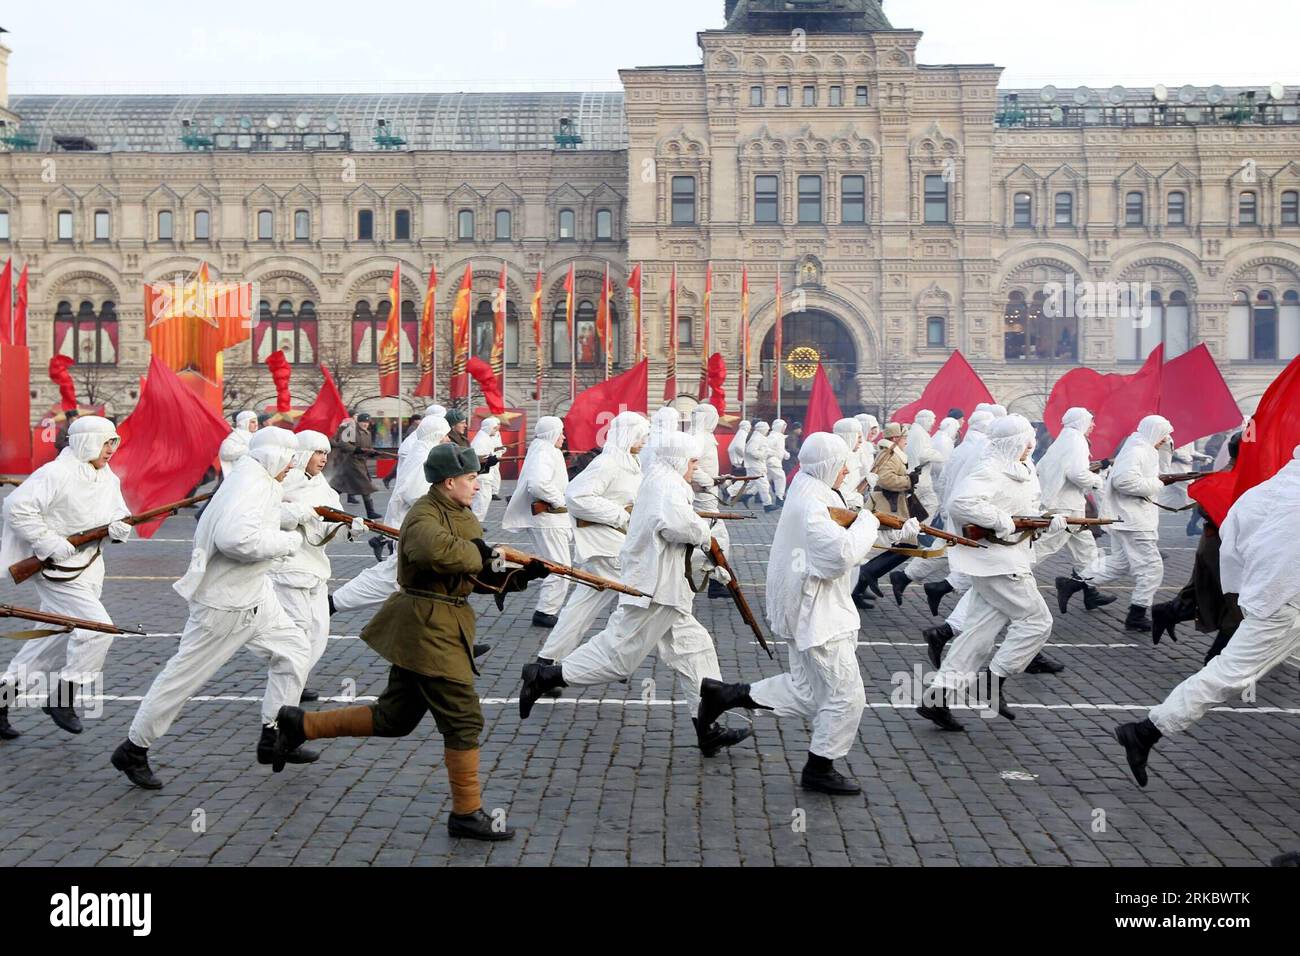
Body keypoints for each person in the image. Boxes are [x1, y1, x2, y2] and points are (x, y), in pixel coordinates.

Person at [274, 443, 550, 840]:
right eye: (472, 479)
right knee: (464, 717)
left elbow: (473, 574)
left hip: (442, 620)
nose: (477, 485)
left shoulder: (460, 513)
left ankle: (300, 724)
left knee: (395, 718)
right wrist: (485, 554)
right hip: (427, 627)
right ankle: (466, 813)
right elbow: (432, 552)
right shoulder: (424, 514)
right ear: (449, 481)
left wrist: (517, 576)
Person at [518, 431, 750, 758]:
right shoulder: (666, 484)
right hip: (655, 589)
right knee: (618, 656)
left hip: (666, 587)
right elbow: (677, 527)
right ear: (678, 459)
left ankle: (707, 726)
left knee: (694, 649)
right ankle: (543, 675)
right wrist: (705, 534)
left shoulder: (663, 479)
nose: (695, 467)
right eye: (693, 460)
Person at [111, 427, 316, 789]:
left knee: (295, 651)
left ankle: (275, 735)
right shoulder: (250, 483)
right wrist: (288, 541)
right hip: (224, 604)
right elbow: (236, 538)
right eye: (290, 460)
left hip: (256, 594)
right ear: (275, 455)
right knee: (183, 678)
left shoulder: (259, 477)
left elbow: (263, 515)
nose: (292, 468)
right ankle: (134, 748)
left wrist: (300, 513)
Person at [696, 433, 900, 794]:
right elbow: (838, 557)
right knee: (846, 696)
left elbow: (841, 541)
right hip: (817, 615)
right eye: (841, 464)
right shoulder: (812, 503)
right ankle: (819, 767)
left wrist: (892, 535)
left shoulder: (812, 488)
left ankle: (724, 695)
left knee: (807, 692)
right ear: (827, 465)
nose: (847, 470)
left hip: (814, 609)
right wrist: (870, 522)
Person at [1115, 446, 1300, 788]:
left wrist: (1246, 590)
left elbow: (1233, 543)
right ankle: (1146, 731)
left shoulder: (1263, 492)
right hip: (1284, 604)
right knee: (1231, 673)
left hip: (1271, 597)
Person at [917, 416, 1063, 732]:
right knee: (1037, 622)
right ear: (1013, 442)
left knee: (977, 635)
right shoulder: (991, 468)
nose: (1030, 446)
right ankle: (992, 681)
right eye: (1026, 440)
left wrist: (1045, 522)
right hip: (999, 564)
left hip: (1005, 559)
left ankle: (937, 700)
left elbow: (1021, 512)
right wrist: (1001, 520)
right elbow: (962, 503)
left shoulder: (1019, 468)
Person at [0, 416, 131, 738]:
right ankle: (64, 695)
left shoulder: (106, 476)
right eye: (106, 442)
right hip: (57, 570)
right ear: (87, 441)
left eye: (114, 442)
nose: (111, 449)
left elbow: (118, 511)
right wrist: (49, 542)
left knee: (44, 644)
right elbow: (16, 507)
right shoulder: (55, 473)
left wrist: (119, 526)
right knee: (98, 630)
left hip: (89, 568)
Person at [536, 412, 648, 670]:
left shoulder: (630, 462)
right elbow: (577, 496)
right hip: (607, 547)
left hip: (614, 545)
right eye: (640, 435)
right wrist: (620, 515)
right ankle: (613, 657)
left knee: (581, 608)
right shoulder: (608, 463)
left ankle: (546, 661)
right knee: (640, 601)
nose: (643, 441)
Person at [271, 431, 366, 705]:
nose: (323, 458)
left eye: (325, 453)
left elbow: (329, 528)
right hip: (288, 569)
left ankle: (295, 679)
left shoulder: (324, 488)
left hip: (315, 569)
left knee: (318, 632)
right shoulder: (281, 482)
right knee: (298, 632)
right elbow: (271, 516)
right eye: (317, 452)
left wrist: (349, 528)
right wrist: (303, 512)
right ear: (302, 454)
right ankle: (285, 690)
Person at [1057, 415, 1174, 631]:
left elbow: (1158, 472)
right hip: (1134, 520)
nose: (1166, 438)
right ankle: (1137, 614)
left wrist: (1165, 451)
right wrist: (1156, 484)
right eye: (1164, 434)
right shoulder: (1138, 450)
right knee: (1151, 568)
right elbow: (1124, 482)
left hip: (1130, 518)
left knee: (1120, 563)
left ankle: (1074, 583)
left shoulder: (1142, 447)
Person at [330, 415, 452, 615]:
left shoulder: (425, 452)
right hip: (413, 530)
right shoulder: (423, 456)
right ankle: (333, 603)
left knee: (424, 584)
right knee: (391, 579)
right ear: (437, 436)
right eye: (445, 436)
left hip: (418, 529)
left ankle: (452, 639)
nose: (448, 440)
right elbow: (414, 493)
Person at [1151, 433, 1244, 664]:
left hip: (1215, 545)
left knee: (1201, 592)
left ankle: (1166, 613)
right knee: (1236, 603)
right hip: (1221, 548)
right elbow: (1211, 511)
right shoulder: (1229, 479)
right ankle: (1216, 657)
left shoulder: (1228, 477)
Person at [1034, 407, 1114, 611]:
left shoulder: (1063, 439)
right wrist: (1097, 480)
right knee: (1043, 548)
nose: (1093, 425)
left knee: (1087, 551)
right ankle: (1009, 574)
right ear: (1081, 422)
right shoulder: (1076, 440)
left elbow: (1042, 468)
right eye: (1091, 421)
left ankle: (1091, 593)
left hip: (1069, 505)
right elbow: (1077, 474)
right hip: (1066, 508)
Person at [502, 417, 573, 629]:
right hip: (548, 519)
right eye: (561, 432)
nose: (564, 437)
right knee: (559, 568)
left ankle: (546, 609)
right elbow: (537, 484)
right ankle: (545, 612)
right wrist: (559, 500)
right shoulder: (544, 452)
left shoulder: (545, 450)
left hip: (551, 519)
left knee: (555, 565)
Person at [329, 415, 380, 520]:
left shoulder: (368, 433)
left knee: (339, 487)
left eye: (367, 422)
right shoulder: (350, 431)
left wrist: (372, 453)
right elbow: (343, 444)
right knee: (365, 486)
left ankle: (328, 503)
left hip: (360, 463)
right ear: (358, 422)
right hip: (351, 463)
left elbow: (368, 448)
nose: (365, 424)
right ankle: (371, 512)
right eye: (362, 422)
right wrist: (357, 449)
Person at [469, 417, 506, 522]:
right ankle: (475, 523)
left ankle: (476, 522)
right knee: (481, 500)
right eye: (494, 428)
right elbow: (479, 457)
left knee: (484, 499)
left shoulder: (485, 437)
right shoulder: (481, 439)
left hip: (486, 474)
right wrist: (491, 459)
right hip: (482, 476)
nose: (496, 430)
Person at [832, 418, 868, 512]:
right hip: (844, 510)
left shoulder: (853, 456)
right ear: (849, 437)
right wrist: (857, 498)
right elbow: (840, 491)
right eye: (858, 437)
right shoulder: (839, 459)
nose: (861, 441)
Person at [386, 414, 424, 489]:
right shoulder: (412, 429)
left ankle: (388, 479)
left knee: (401, 466)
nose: (420, 421)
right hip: (409, 451)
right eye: (419, 420)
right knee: (403, 467)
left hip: (410, 451)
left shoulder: (415, 428)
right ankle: (388, 479)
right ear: (415, 421)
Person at [744, 422, 775, 511]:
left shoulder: (759, 437)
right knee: (764, 485)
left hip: (756, 465)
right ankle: (767, 505)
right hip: (756, 465)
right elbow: (751, 450)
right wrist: (762, 455)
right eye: (767, 429)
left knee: (751, 484)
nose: (768, 431)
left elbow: (763, 449)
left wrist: (770, 452)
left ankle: (738, 494)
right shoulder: (756, 438)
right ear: (763, 429)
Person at [219, 411, 259, 478]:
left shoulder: (255, 435)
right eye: (252, 422)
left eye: (256, 422)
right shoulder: (235, 436)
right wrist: (249, 449)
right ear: (244, 422)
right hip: (239, 475)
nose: (256, 424)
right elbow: (225, 453)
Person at [766, 419, 791, 507]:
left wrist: (785, 454)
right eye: (783, 427)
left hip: (774, 461)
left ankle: (746, 494)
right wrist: (775, 454)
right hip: (773, 462)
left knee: (762, 481)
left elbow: (779, 448)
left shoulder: (778, 436)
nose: (784, 429)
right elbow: (766, 448)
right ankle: (779, 498)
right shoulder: (774, 437)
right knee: (780, 478)